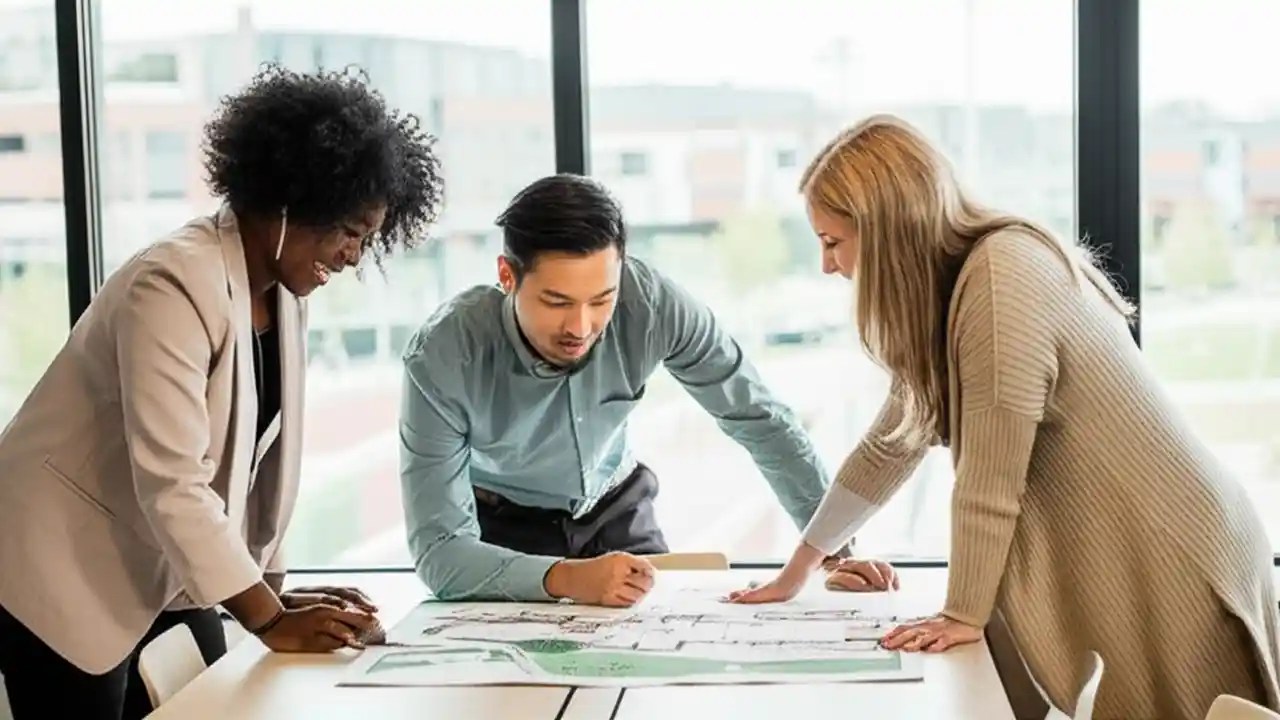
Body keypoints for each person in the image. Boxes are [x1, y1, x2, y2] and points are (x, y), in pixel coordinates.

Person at [726, 113, 1280, 719]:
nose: (828, 266)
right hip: (1152, 546)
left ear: (885, 231)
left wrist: (961, 613)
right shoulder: (958, 288)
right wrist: (798, 569)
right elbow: (889, 445)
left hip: (1177, 552)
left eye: (832, 242)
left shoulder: (1000, 279)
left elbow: (990, 479)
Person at [0, 64, 444, 720]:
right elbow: (175, 481)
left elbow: (256, 465)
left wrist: (272, 593)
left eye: (366, 238)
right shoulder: (173, 283)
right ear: (292, 198)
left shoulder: (284, 296)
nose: (353, 256)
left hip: (159, 561)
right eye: (349, 230)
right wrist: (266, 617)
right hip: (58, 556)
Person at [398, 173, 896, 608]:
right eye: (557, 302)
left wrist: (834, 549)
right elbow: (441, 551)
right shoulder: (442, 354)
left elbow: (760, 419)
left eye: (602, 299)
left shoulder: (653, 304)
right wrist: (568, 578)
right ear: (507, 276)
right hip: (503, 535)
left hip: (617, 511)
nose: (581, 327)